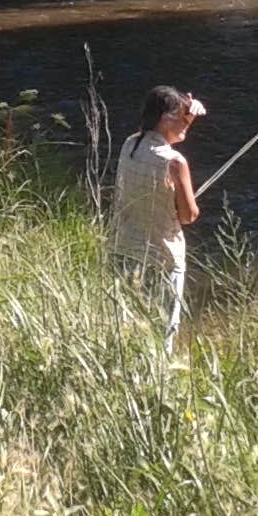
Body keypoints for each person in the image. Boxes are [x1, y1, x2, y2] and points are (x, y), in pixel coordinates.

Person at [111, 85, 205, 348]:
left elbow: (164, 138)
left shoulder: (130, 145)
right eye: (181, 116)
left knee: (128, 335)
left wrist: (188, 116)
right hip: (163, 260)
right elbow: (188, 216)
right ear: (165, 118)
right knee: (163, 335)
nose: (187, 122)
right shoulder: (175, 163)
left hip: (124, 252)